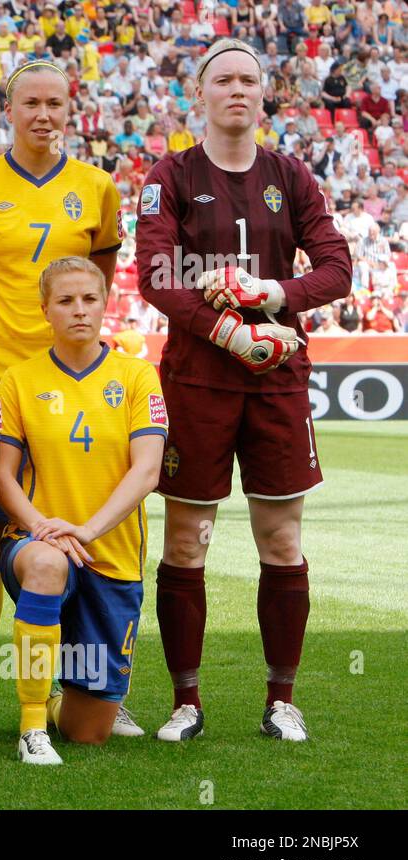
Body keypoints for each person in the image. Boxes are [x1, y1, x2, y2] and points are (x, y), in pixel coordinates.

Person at [135, 39, 352, 744]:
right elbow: (157, 277)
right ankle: (186, 701)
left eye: (249, 79)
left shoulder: (292, 175)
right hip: (199, 378)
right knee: (189, 538)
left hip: (277, 381)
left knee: (281, 538)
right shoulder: (168, 175)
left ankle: (281, 701)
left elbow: (337, 267)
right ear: (200, 94)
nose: (237, 89)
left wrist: (273, 292)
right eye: (223, 78)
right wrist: (228, 332)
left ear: (264, 93)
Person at [0, 60, 129, 740]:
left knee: (79, 522)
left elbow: (94, 282)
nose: (44, 114)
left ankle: (85, 685)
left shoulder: (97, 188)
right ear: (9, 109)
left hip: (74, 382)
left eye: (56, 102)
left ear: (69, 108)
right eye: (31, 103)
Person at [0, 257, 167, 764]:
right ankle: (31, 727)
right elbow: (1, 476)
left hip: (108, 556)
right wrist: (42, 529)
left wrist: (87, 530)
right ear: (45, 308)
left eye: (89, 299)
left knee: (89, 730)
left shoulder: (138, 376)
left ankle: (56, 704)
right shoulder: (18, 379)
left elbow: (147, 471)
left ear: (106, 303)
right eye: (65, 301)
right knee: (48, 566)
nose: (79, 311)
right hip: (35, 544)